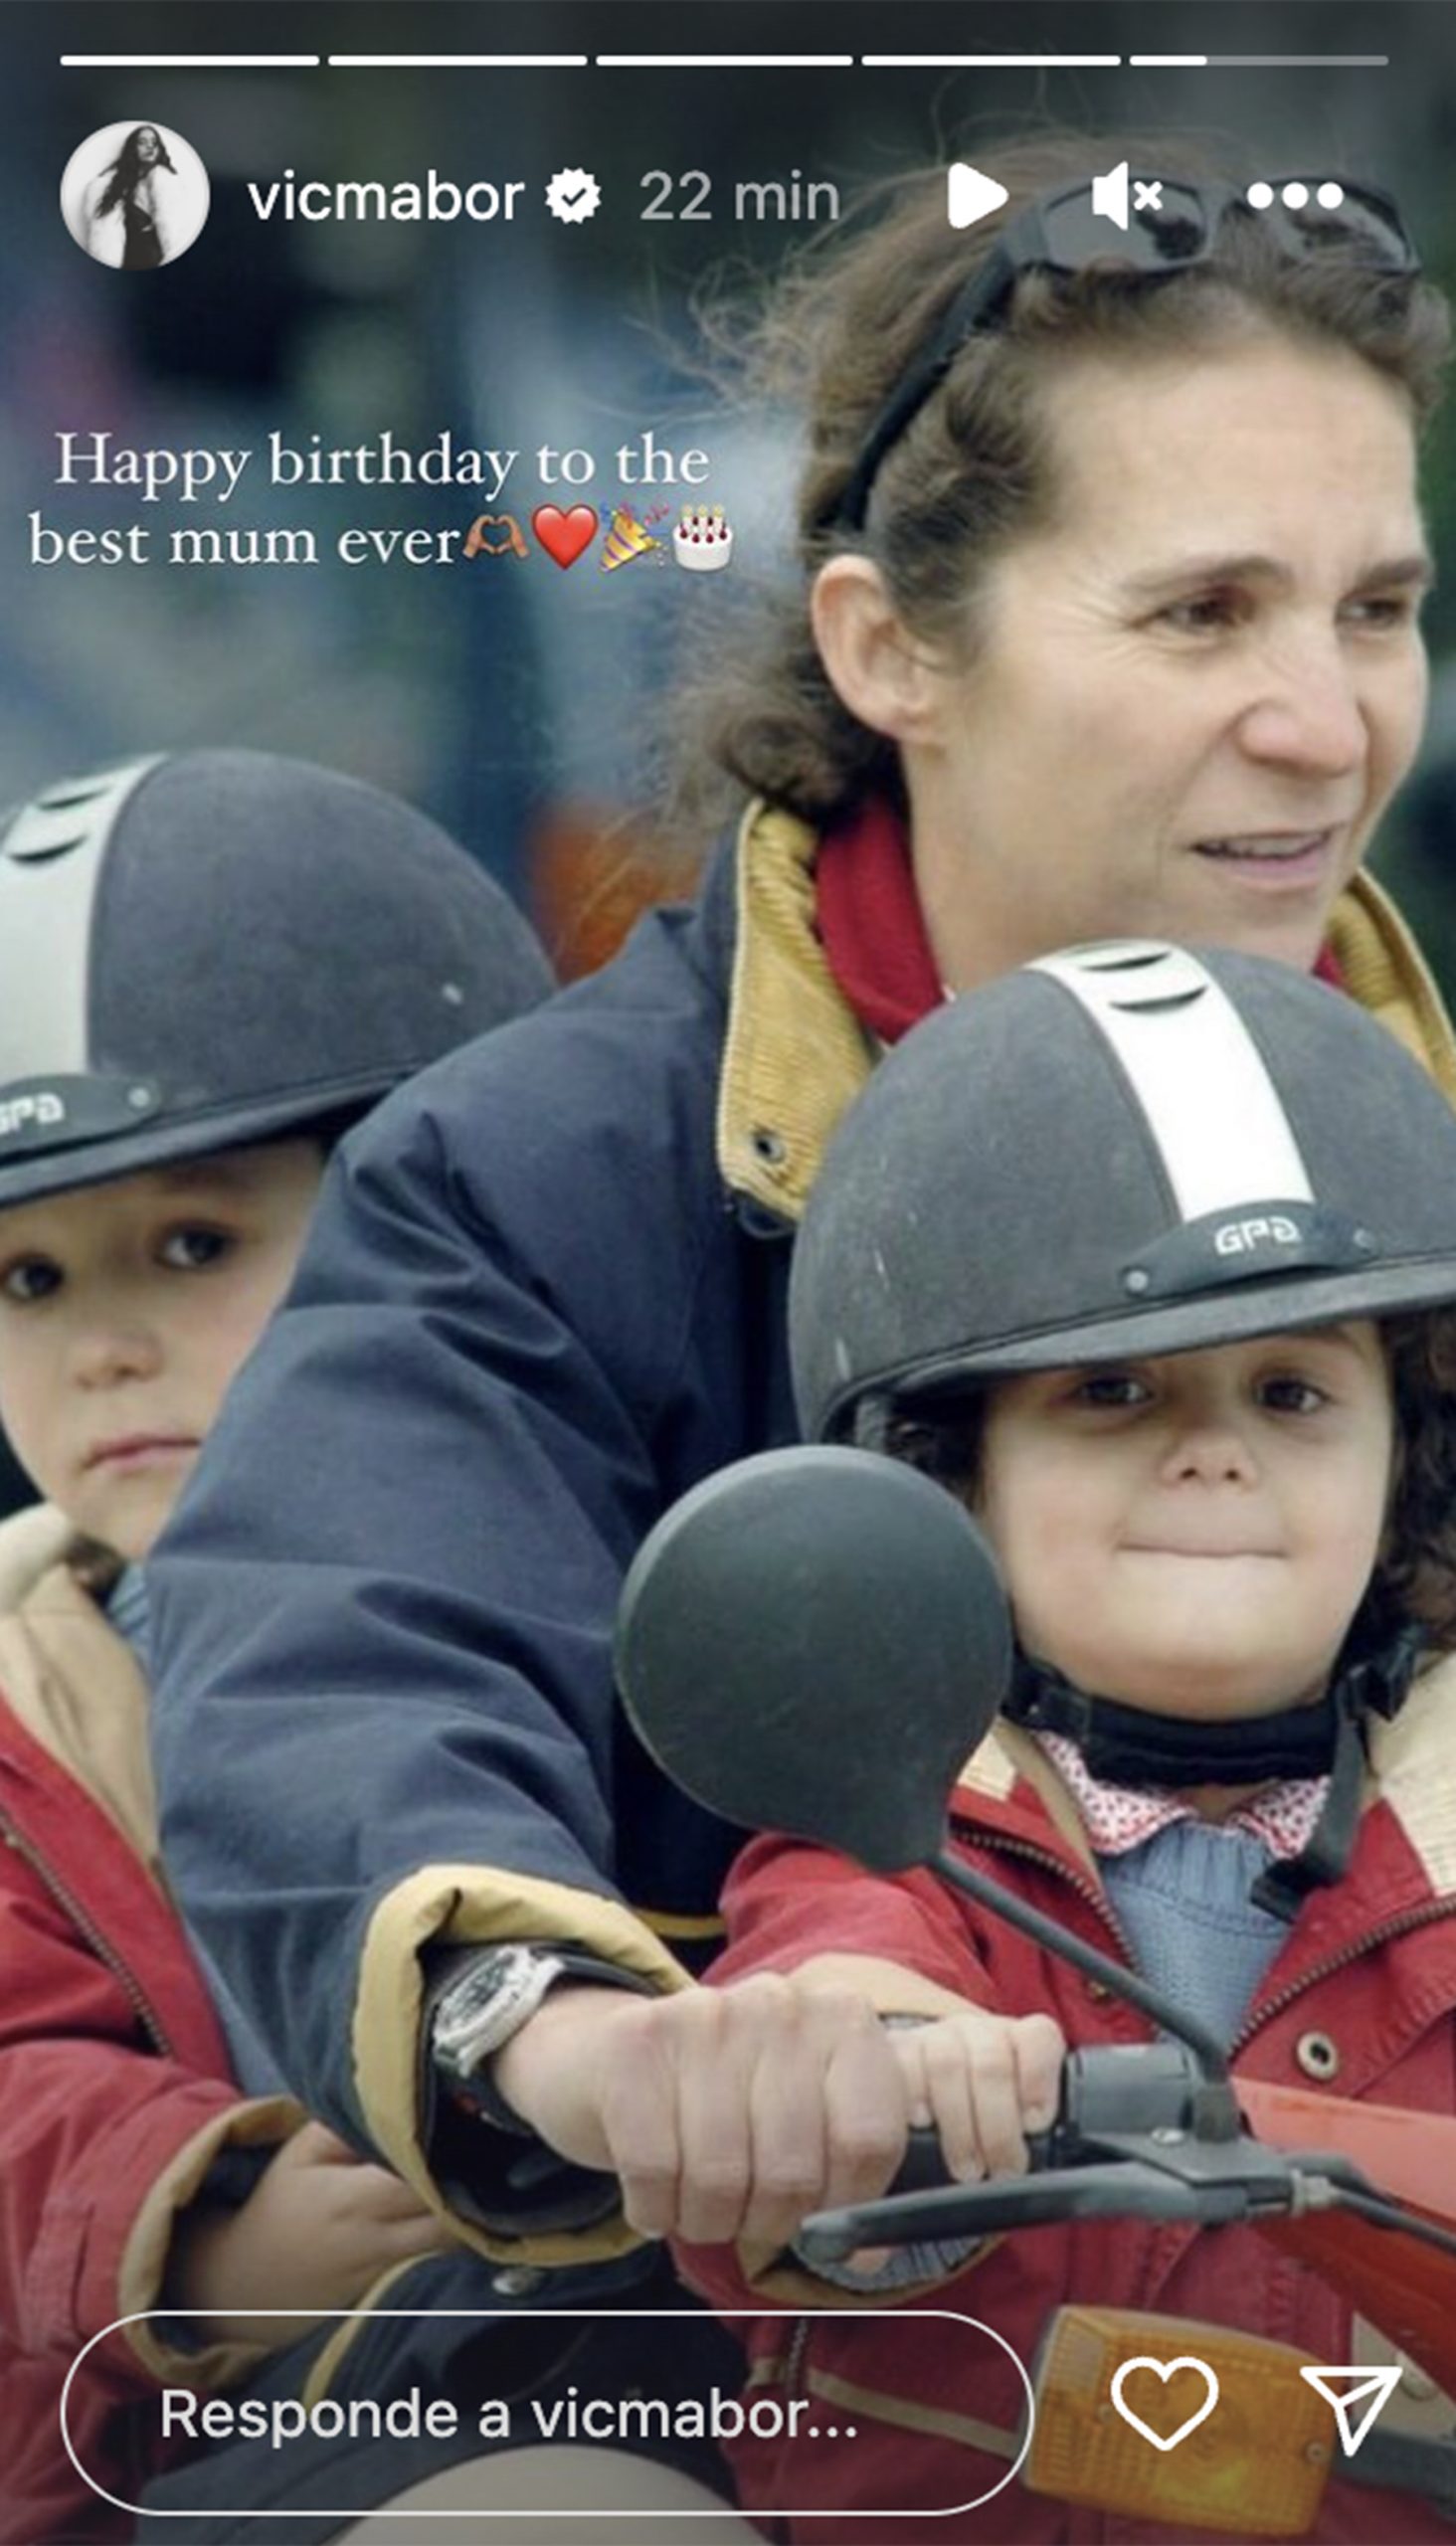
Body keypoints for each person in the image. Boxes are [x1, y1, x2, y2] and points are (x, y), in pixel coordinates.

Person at [146, 144, 1456, 2286]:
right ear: (889, 649)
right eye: (1202, 609)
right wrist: (575, 2042)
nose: (1325, 725)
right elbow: (338, 1658)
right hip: (713, 2338)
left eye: (1379, 611)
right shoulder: (541, 1175)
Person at [674, 940, 1456, 2541]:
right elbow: (824, 1968)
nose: (1215, 1456)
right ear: (951, 1481)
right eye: (1112, 1392)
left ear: (1410, 1471)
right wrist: (851, 2059)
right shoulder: (884, 1840)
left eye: (1294, 1396)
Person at [0, 749, 553, 2546]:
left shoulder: (600, 1588)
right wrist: (200, 2219)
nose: (101, 1349)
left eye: (190, 1240)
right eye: (30, 1280)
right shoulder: (22, 1706)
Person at [84, 124, 175, 269]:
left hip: (151, 249)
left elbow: (171, 221)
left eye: (154, 142)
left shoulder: (164, 178)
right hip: (126, 248)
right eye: (142, 142)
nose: (150, 147)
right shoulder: (119, 179)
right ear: (133, 148)